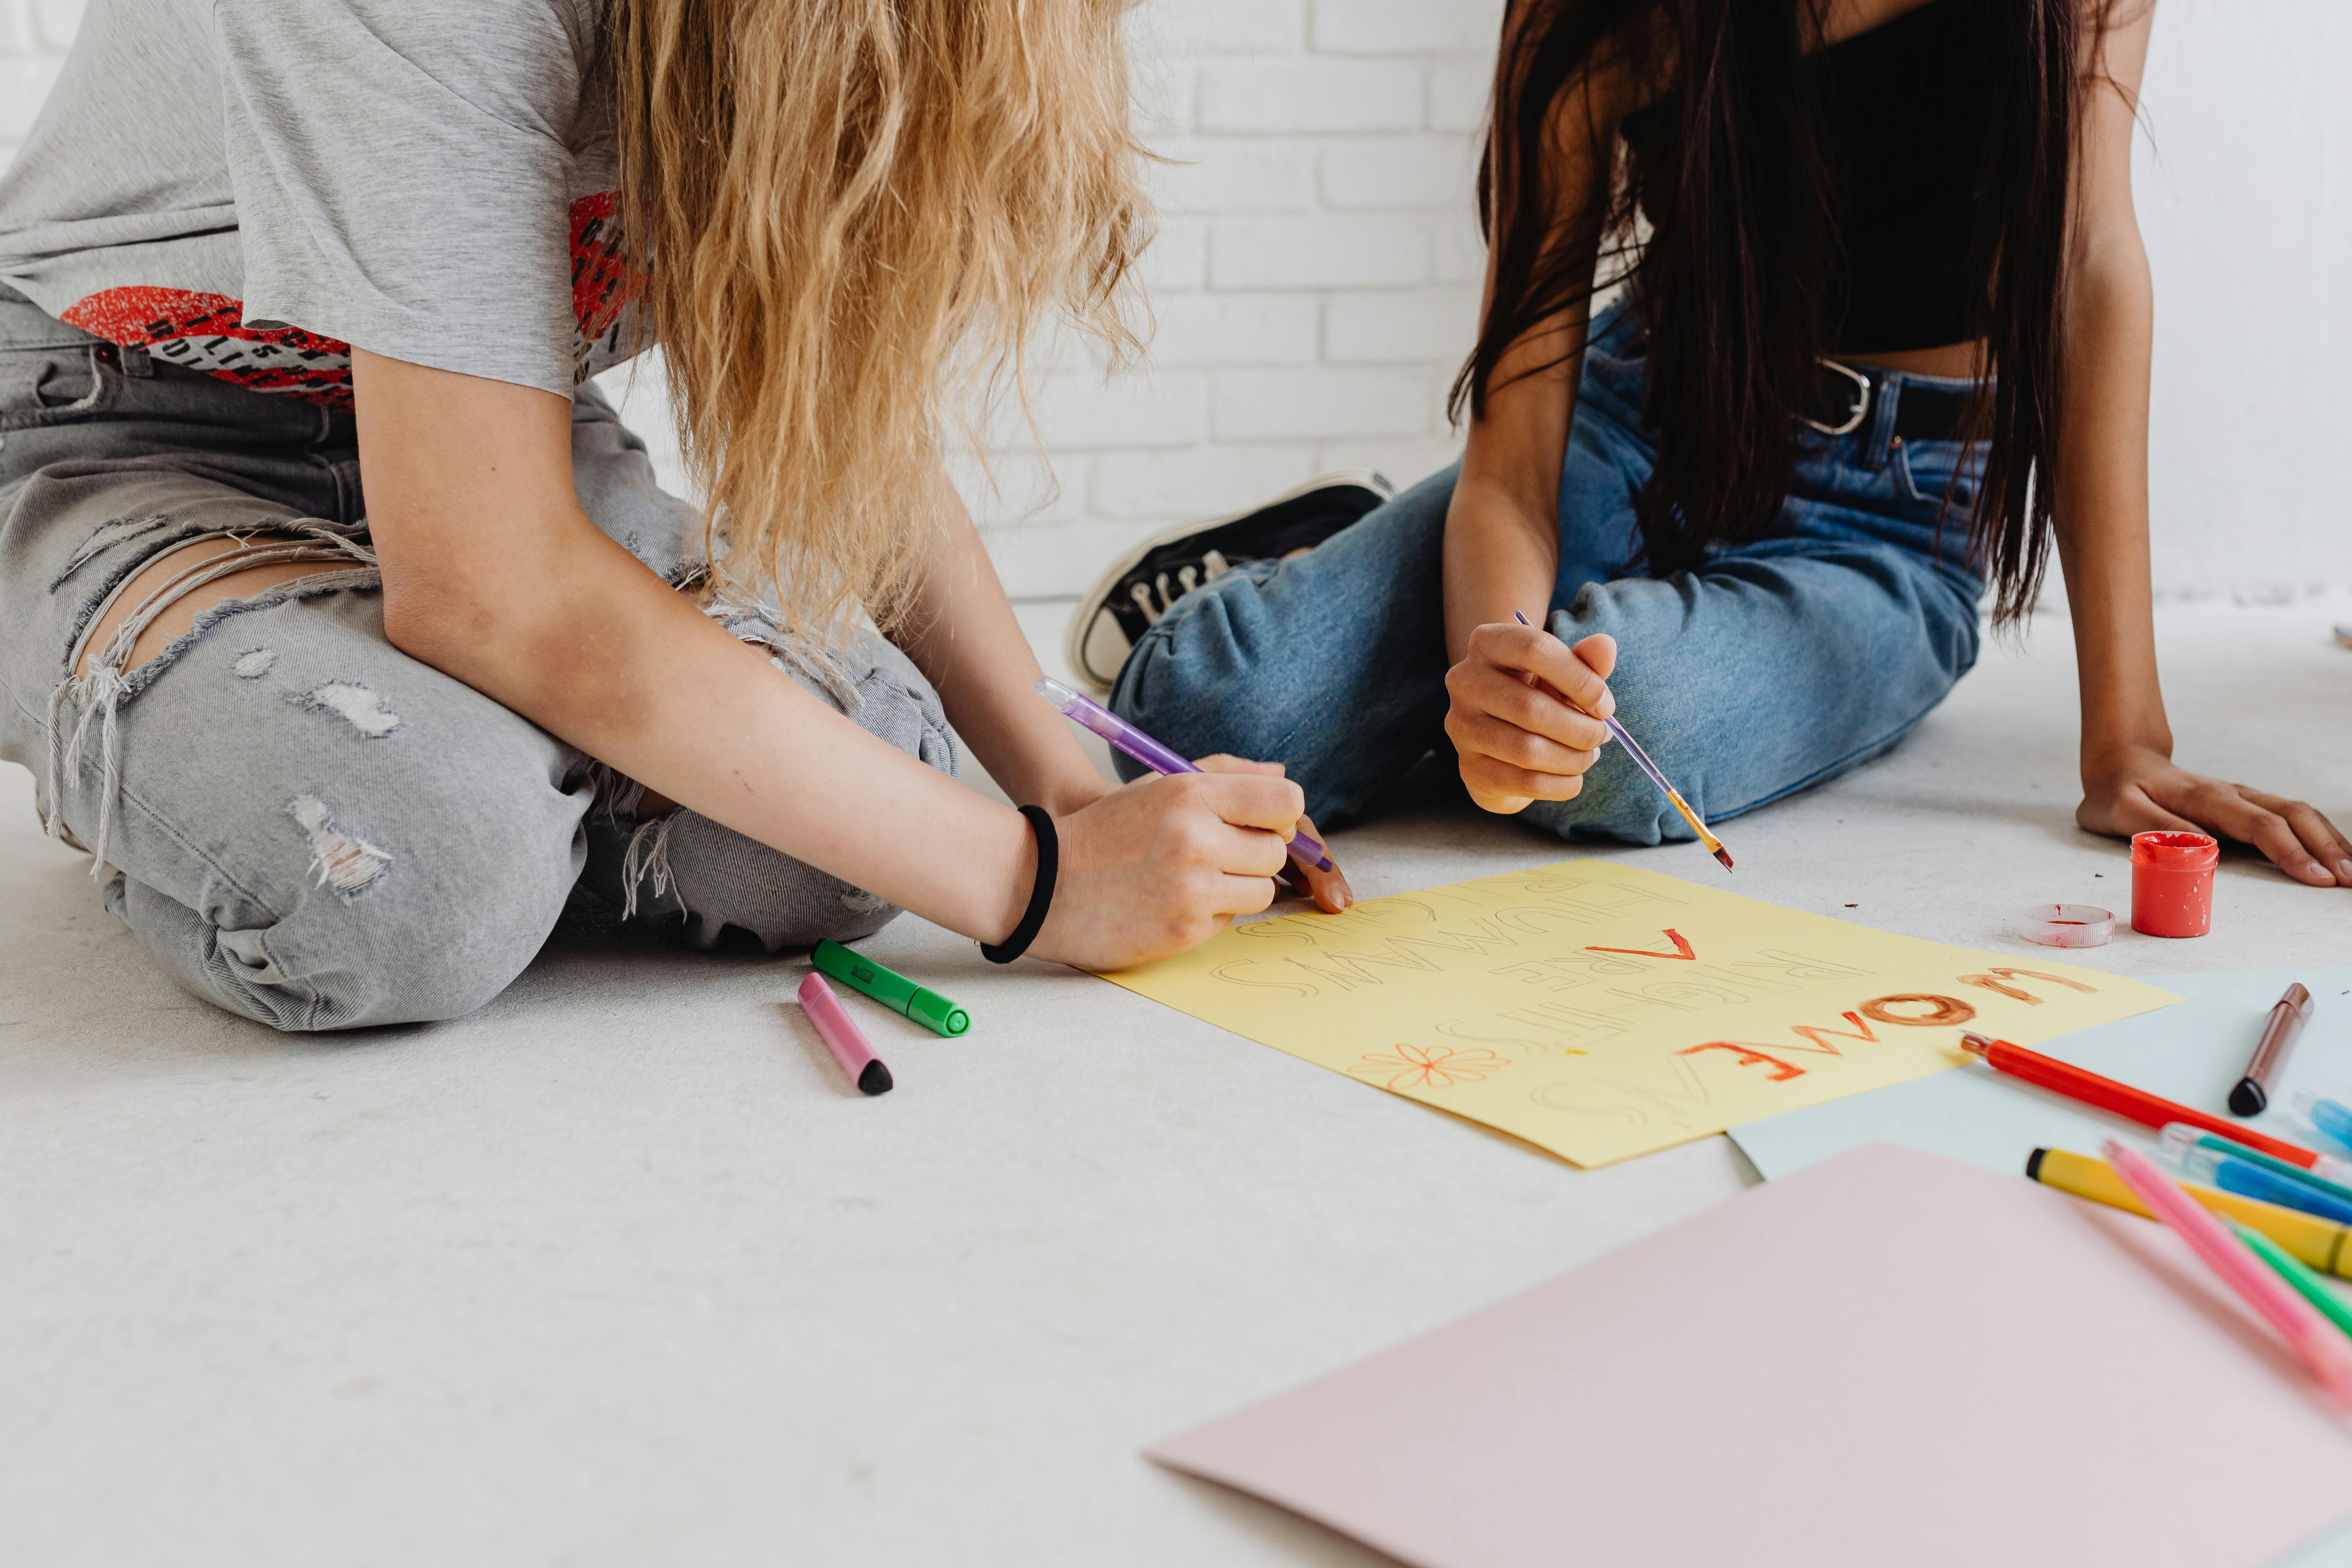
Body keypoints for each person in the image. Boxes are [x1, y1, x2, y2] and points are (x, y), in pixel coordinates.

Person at [0, 0, 1348, 1032]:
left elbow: (855, 437)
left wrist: (1068, 798)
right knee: (413, 876)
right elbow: (494, 589)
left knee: (860, 811)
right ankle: (204, 777)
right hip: (128, 422)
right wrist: (1029, 885)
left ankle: (442, 761)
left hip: (508, 442)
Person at [1076, 0, 2352, 889]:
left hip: (1891, 520)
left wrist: (2128, 740)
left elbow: (2089, 267)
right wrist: (1496, 659)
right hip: (1637, 419)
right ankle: (1371, 559)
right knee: (1204, 717)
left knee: (1622, 755)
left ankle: (1384, 554)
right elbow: (1518, 453)